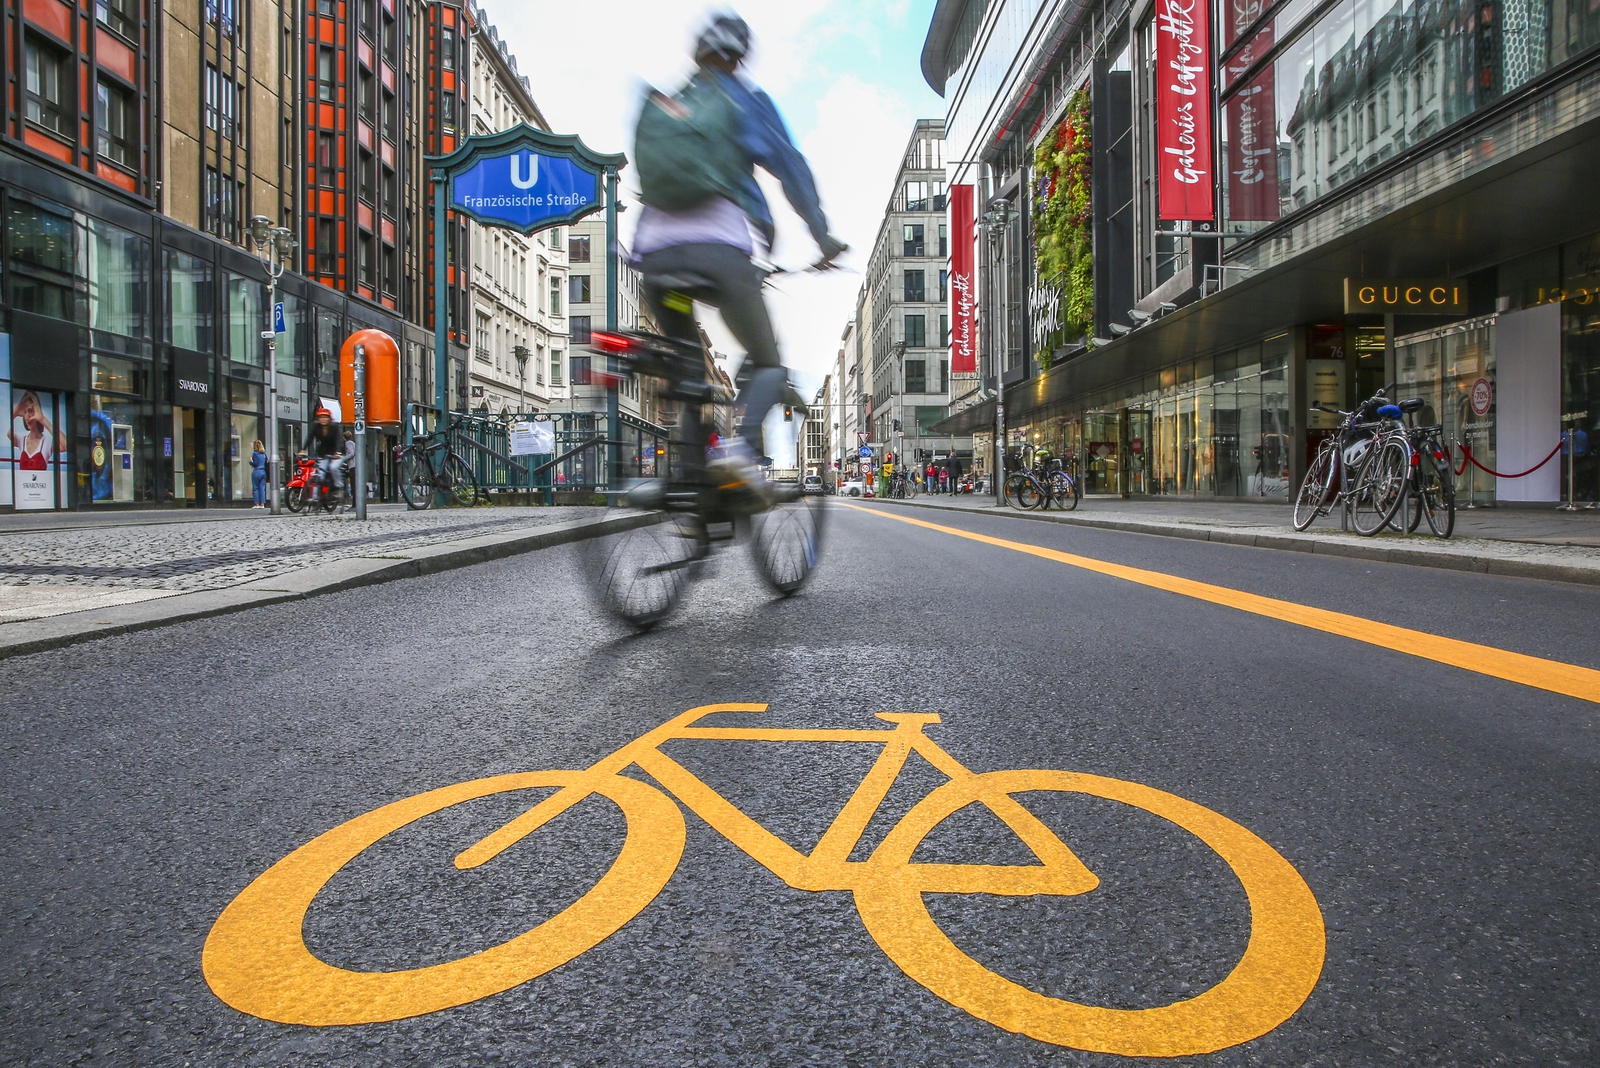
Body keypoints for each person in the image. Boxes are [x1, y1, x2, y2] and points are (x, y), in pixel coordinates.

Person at [634, 11, 846, 486]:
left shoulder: (671, 103)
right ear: (740, 55)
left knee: (689, 371)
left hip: (657, 262)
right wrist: (822, 235)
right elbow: (791, 169)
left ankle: (691, 496)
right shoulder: (744, 100)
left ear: (699, 53)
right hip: (720, 256)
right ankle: (741, 456)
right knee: (768, 359)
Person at [305, 407, 343, 503]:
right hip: (324, 453)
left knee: (333, 467)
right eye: (321, 417)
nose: (323, 419)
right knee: (320, 475)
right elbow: (310, 438)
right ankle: (316, 498)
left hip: (336, 453)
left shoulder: (334, 427)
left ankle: (338, 488)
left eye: (325, 417)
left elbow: (338, 440)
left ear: (329, 418)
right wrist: (303, 449)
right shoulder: (316, 427)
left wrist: (337, 451)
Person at [249, 438, 268, 508]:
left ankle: (256, 504)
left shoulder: (255, 454)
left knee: (256, 488)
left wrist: (251, 461)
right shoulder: (264, 454)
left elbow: (255, 463)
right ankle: (262, 504)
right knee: (262, 488)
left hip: (257, 471)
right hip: (263, 472)